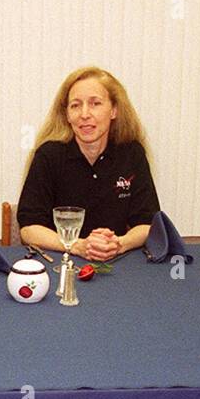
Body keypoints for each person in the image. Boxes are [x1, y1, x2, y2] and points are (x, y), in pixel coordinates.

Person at [16, 66, 160, 261]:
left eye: (95, 104)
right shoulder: (48, 155)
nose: (84, 114)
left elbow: (148, 223)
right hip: (60, 262)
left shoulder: (131, 154)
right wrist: (77, 246)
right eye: (75, 105)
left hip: (116, 264)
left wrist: (119, 244)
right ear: (67, 114)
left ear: (114, 110)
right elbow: (29, 229)